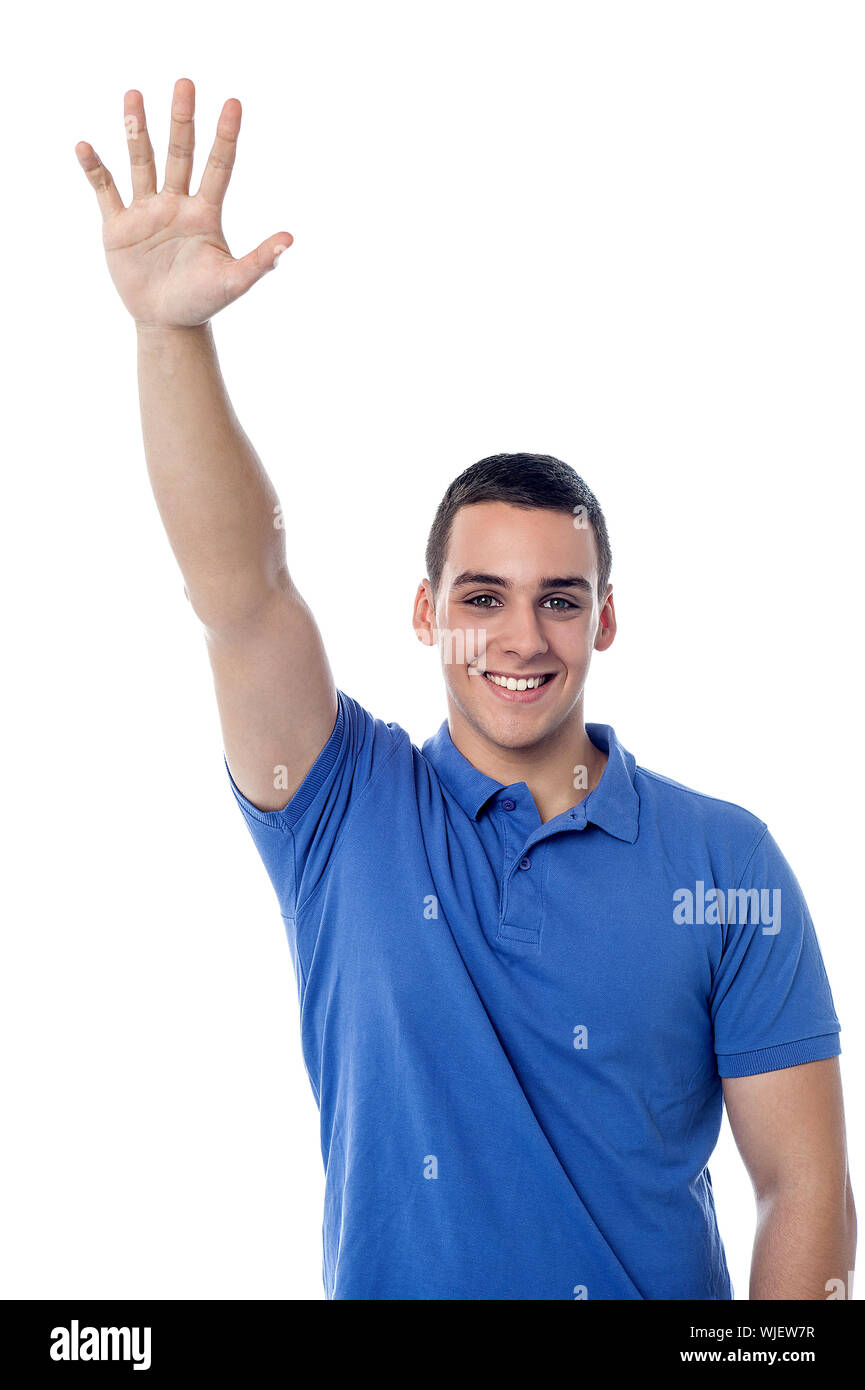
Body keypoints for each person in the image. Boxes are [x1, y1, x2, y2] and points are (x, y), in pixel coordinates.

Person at [77, 77, 856, 1301]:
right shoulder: (342, 811)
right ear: (428, 612)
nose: (522, 636)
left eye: (559, 597)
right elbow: (239, 586)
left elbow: (802, 1192)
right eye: (482, 596)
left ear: (603, 618)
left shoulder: (728, 861)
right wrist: (169, 333)